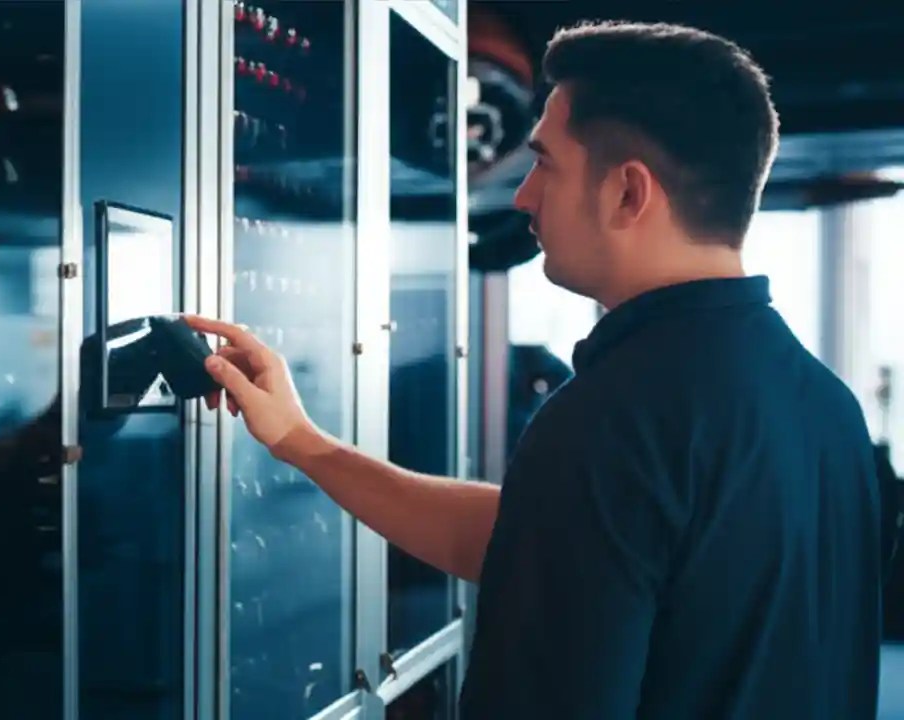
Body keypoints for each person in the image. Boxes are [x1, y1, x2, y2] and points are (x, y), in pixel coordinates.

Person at [185, 20, 883, 720]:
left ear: (628, 194)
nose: (522, 197)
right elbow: (544, 538)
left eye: (544, 163)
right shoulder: (823, 406)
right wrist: (303, 443)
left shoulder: (612, 423)